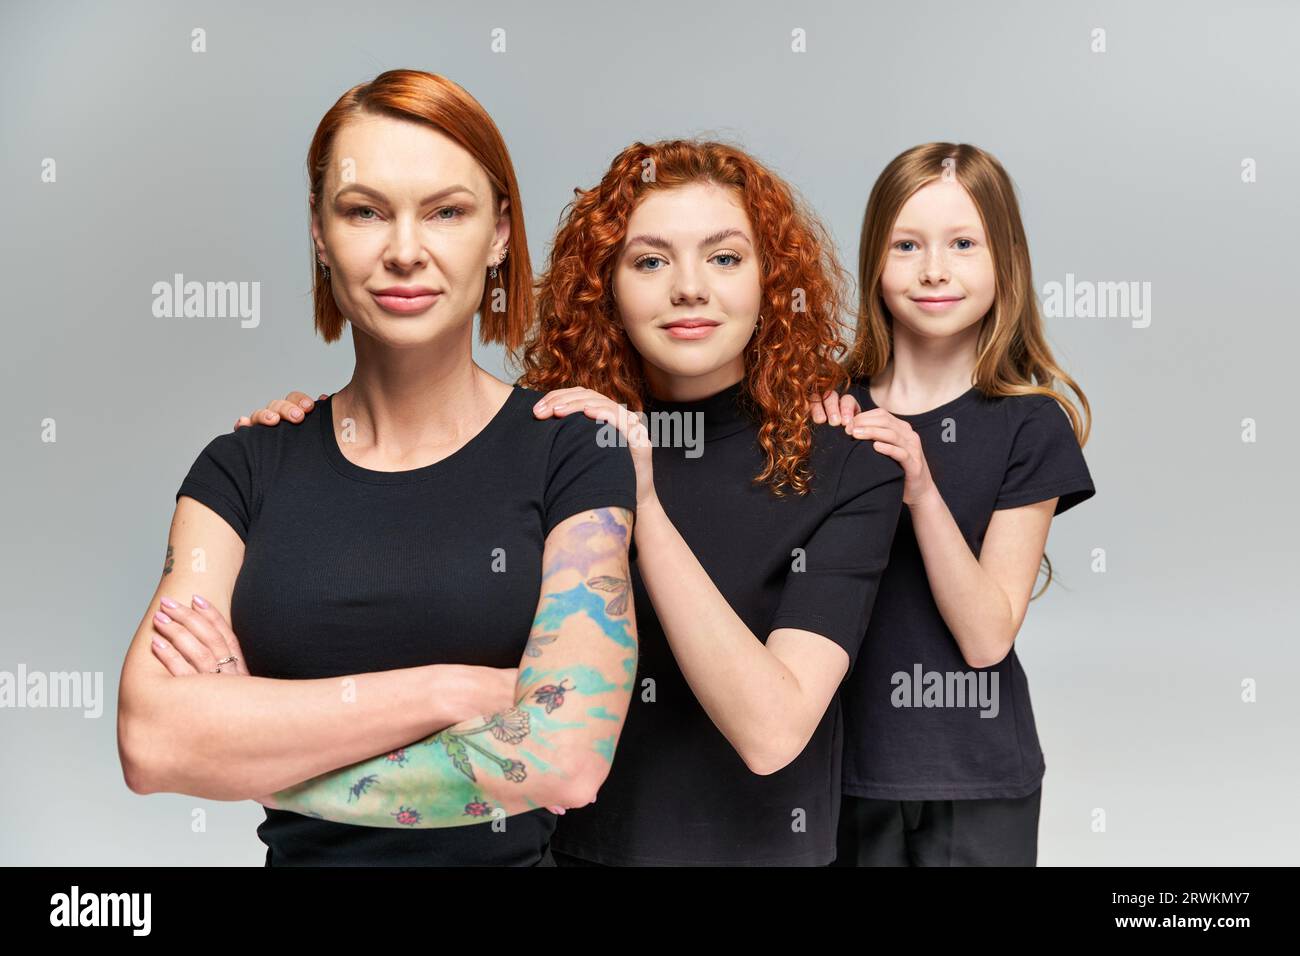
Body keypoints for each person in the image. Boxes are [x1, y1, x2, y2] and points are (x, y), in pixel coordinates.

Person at [237, 139, 906, 866]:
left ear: (772, 279)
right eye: (650, 261)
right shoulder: (550, 444)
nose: (689, 288)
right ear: (604, 285)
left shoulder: (847, 462)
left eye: (724, 257)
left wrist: (639, 499)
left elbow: (772, 732)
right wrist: (318, 444)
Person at [115, 69, 637, 867]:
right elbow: (153, 741)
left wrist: (257, 747)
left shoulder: (569, 452)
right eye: (364, 211)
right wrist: (453, 692)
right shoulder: (242, 470)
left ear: (499, 233)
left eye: (446, 212)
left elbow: (565, 756)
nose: (403, 251)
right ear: (321, 235)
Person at [812, 142, 1097, 866]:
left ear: (1006, 260)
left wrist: (920, 485)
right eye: (907, 245)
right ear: (875, 258)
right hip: (835, 772)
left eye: (963, 244)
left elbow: (985, 638)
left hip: (977, 775)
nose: (934, 269)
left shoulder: (1031, 424)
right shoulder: (827, 409)